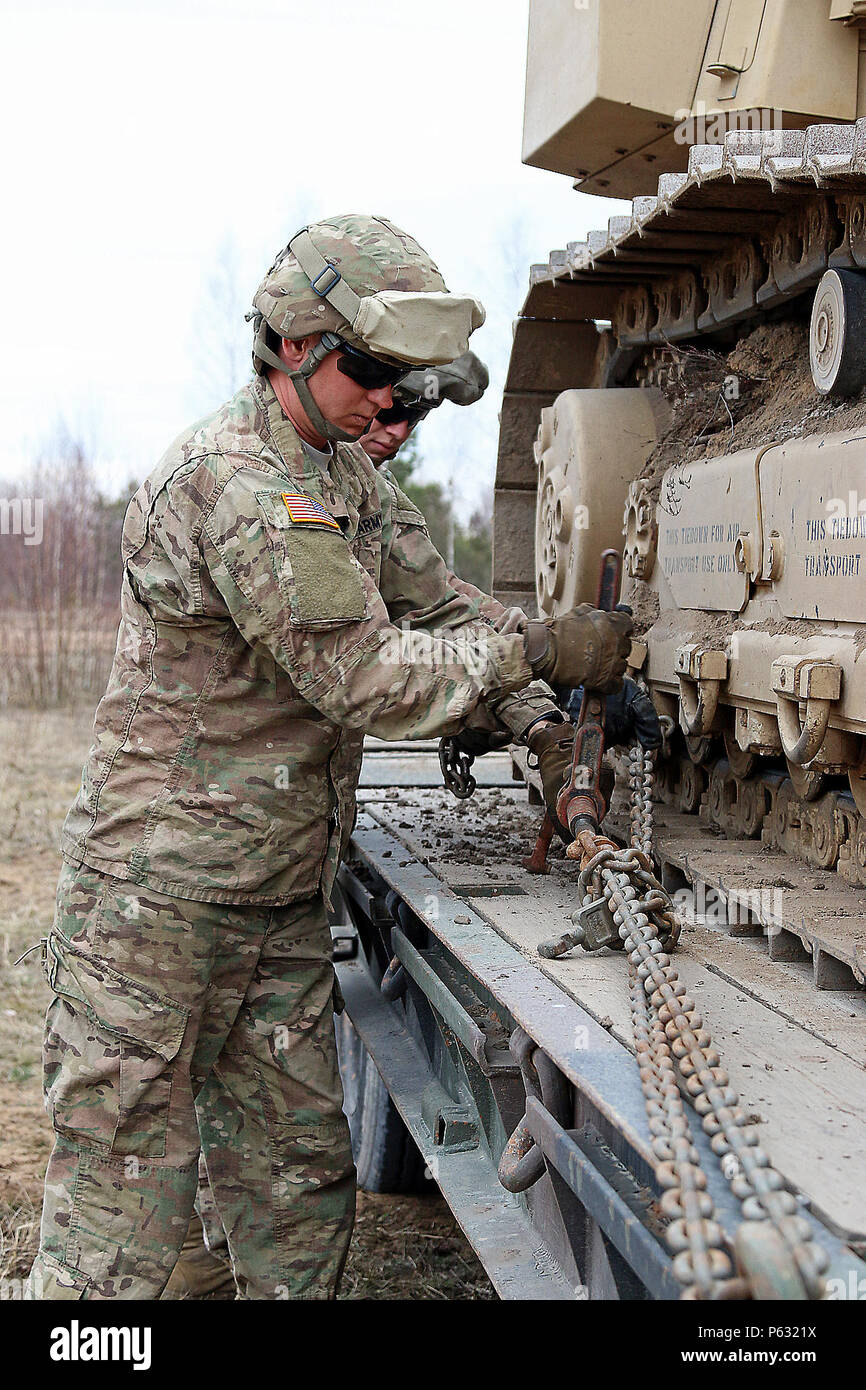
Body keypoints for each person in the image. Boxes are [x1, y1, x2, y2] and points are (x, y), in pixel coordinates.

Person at [29, 214, 632, 1301]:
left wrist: (542, 725)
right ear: (294, 348)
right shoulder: (239, 485)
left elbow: (441, 603)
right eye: (372, 373)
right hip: (155, 912)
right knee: (117, 1223)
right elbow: (362, 675)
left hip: (271, 905)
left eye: (409, 383)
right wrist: (533, 648)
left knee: (295, 1196)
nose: (386, 404)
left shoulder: (341, 479)